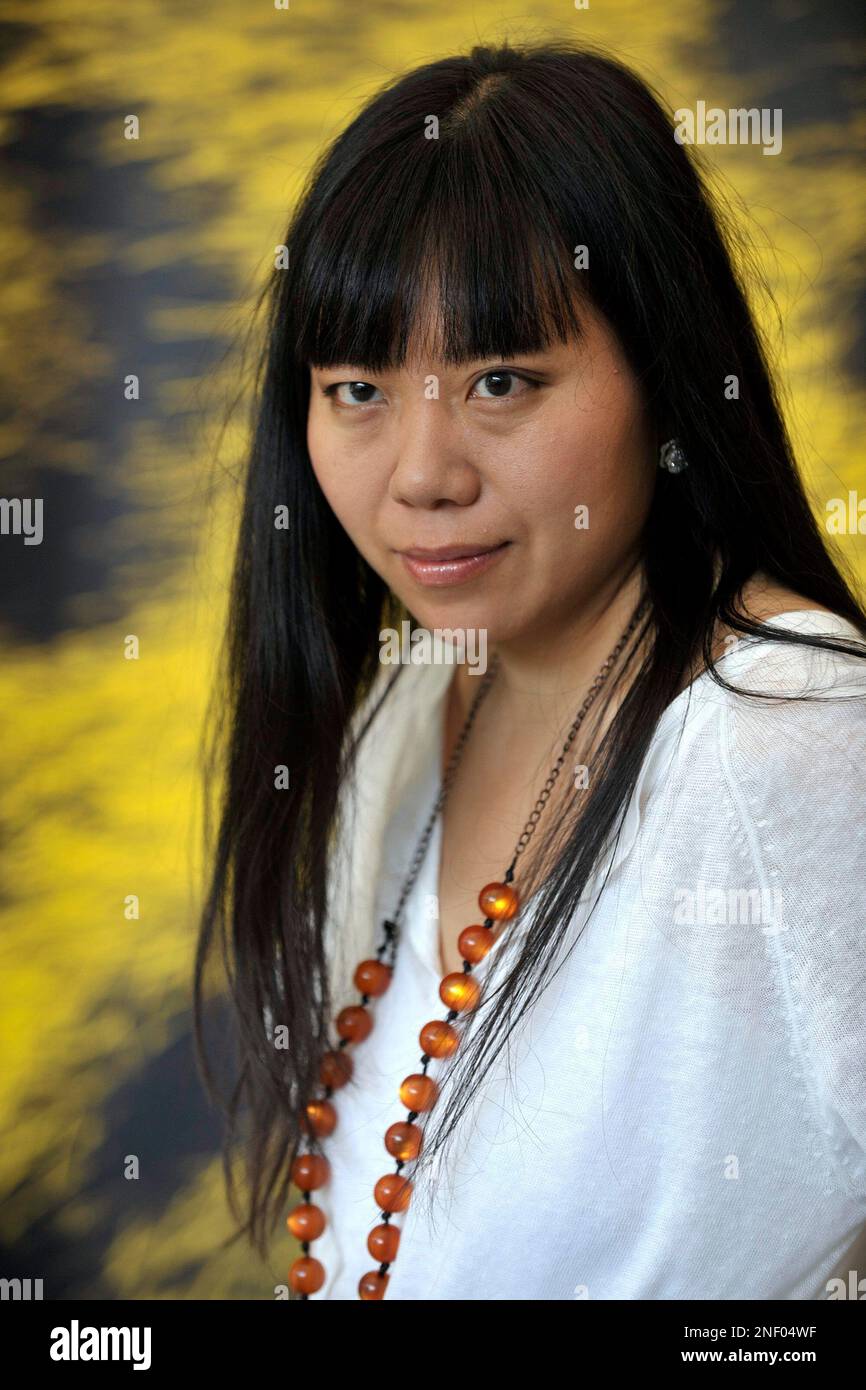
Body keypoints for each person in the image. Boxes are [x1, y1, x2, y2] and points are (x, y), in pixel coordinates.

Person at [194, 39, 866, 1300]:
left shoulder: (791, 733)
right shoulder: (404, 712)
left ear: (664, 377)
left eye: (502, 379)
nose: (419, 473)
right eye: (356, 389)